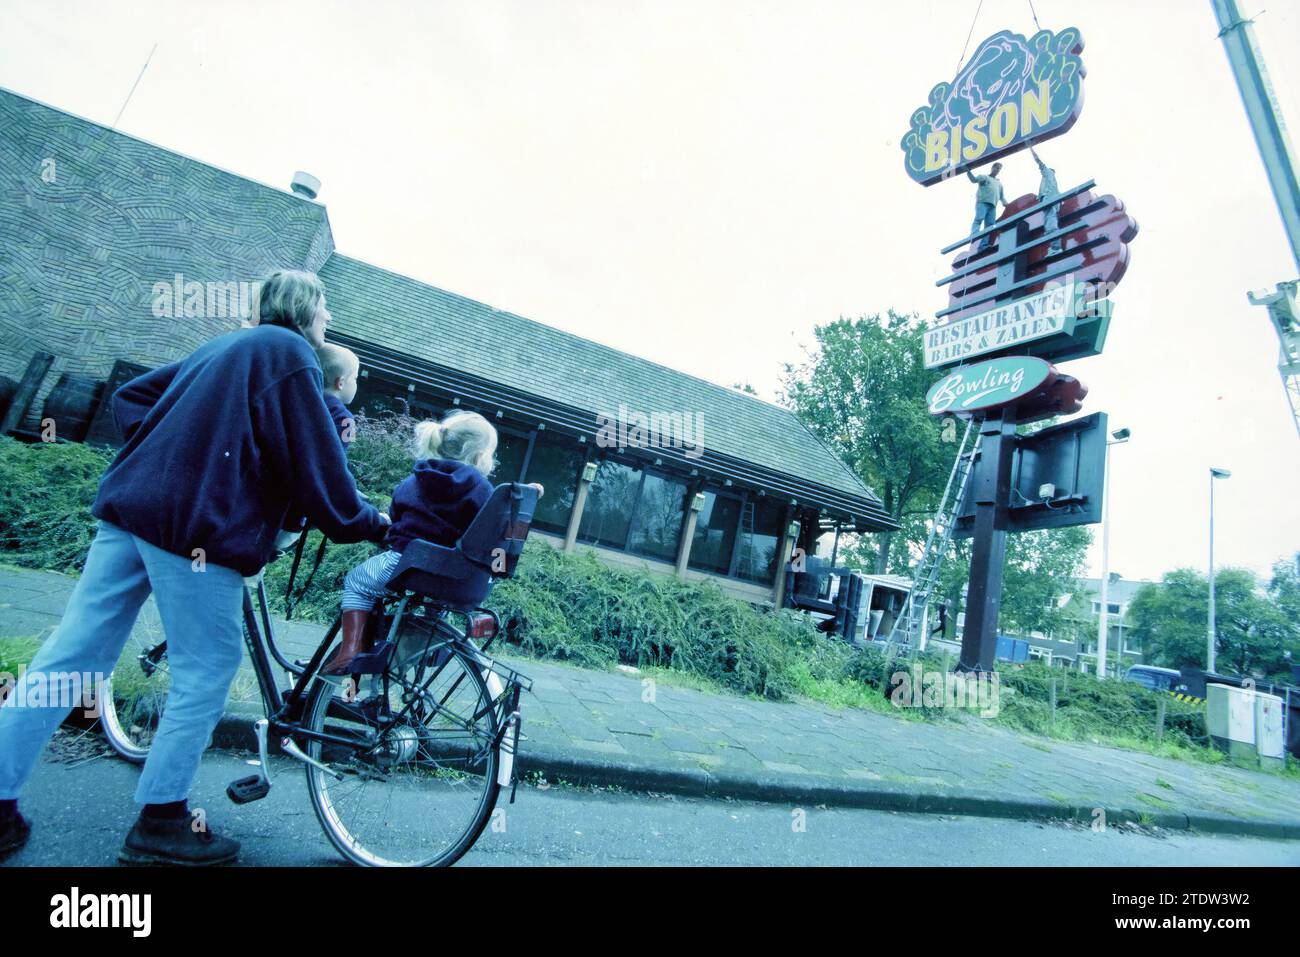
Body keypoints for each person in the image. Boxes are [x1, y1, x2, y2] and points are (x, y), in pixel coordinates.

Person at [0, 269, 389, 866]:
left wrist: (168, 455)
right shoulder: (288, 353)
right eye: (327, 308)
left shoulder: (224, 346)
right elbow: (317, 463)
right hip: (191, 532)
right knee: (207, 667)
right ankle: (161, 820)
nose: (329, 320)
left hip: (131, 513)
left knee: (71, 654)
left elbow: (133, 398)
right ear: (307, 310)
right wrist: (369, 522)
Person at [322, 411, 542, 675]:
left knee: (357, 582)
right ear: (479, 457)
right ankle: (407, 659)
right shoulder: (482, 490)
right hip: (455, 577)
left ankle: (350, 650)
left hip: (405, 566)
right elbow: (493, 530)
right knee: (430, 606)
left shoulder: (415, 479)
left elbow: (395, 517)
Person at [316, 342, 360, 449]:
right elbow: (339, 458)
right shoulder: (346, 420)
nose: (356, 384)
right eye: (355, 378)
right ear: (340, 383)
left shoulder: (299, 399)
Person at [1030, 147, 1062, 254]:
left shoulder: (1047, 173)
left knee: (1050, 225)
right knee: (1049, 222)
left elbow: (1039, 163)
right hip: (1051, 201)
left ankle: (1055, 248)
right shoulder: (1054, 184)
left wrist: (1031, 149)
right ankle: (1054, 247)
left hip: (1048, 199)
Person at [967, 162, 1005, 251]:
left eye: (999, 168)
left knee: (990, 225)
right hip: (982, 202)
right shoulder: (985, 177)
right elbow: (974, 180)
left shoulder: (999, 183)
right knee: (979, 218)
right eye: (996, 167)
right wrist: (968, 171)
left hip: (993, 206)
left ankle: (983, 245)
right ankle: (974, 234)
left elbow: (1002, 197)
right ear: (992, 167)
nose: (997, 170)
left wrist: (1007, 204)